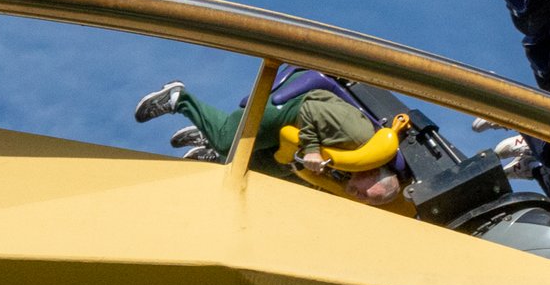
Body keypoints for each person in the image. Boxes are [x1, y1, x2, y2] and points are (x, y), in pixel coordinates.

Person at [134, 70, 406, 205]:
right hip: (293, 107)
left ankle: (211, 140)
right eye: (367, 193)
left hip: (292, 140)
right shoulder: (358, 136)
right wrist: (312, 149)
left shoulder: (347, 175)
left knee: (253, 171)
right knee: (230, 141)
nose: (359, 196)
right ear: (373, 173)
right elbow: (311, 109)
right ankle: (179, 98)